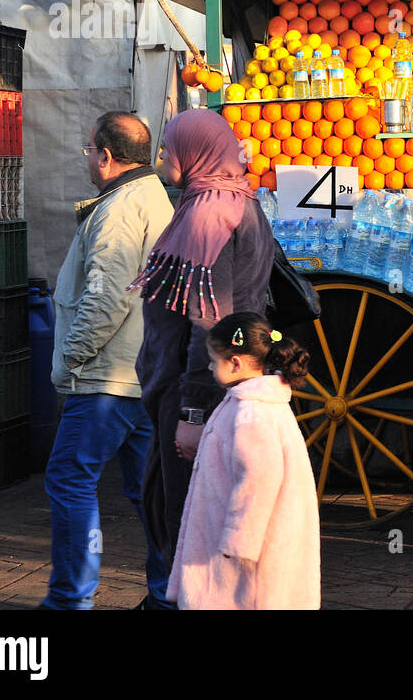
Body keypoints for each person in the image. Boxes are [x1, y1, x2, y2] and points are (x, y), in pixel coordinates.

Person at [131, 108, 275, 569]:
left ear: (195, 152)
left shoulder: (210, 215)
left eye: (169, 146)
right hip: (225, 385)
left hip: (197, 389)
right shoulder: (238, 200)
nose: (162, 155)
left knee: (188, 523)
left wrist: (191, 413)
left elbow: (206, 322)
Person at [42, 113, 174, 610]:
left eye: (89, 150)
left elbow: (106, 299)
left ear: (105, 156)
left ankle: (70, 600)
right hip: (142, 373)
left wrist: (69, 363)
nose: (87, 158)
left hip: (105, 379)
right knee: (149, 494)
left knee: (69, 480)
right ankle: (165, 597)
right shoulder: (154, 198)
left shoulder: (119, 209)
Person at [168, 312, 320, 610]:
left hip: (244, 559)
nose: (210, 368)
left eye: (213, 361)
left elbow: (260, 476)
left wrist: (241, 540)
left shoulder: (252, 413)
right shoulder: (253, 404)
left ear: (235, 363)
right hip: (243, 551)